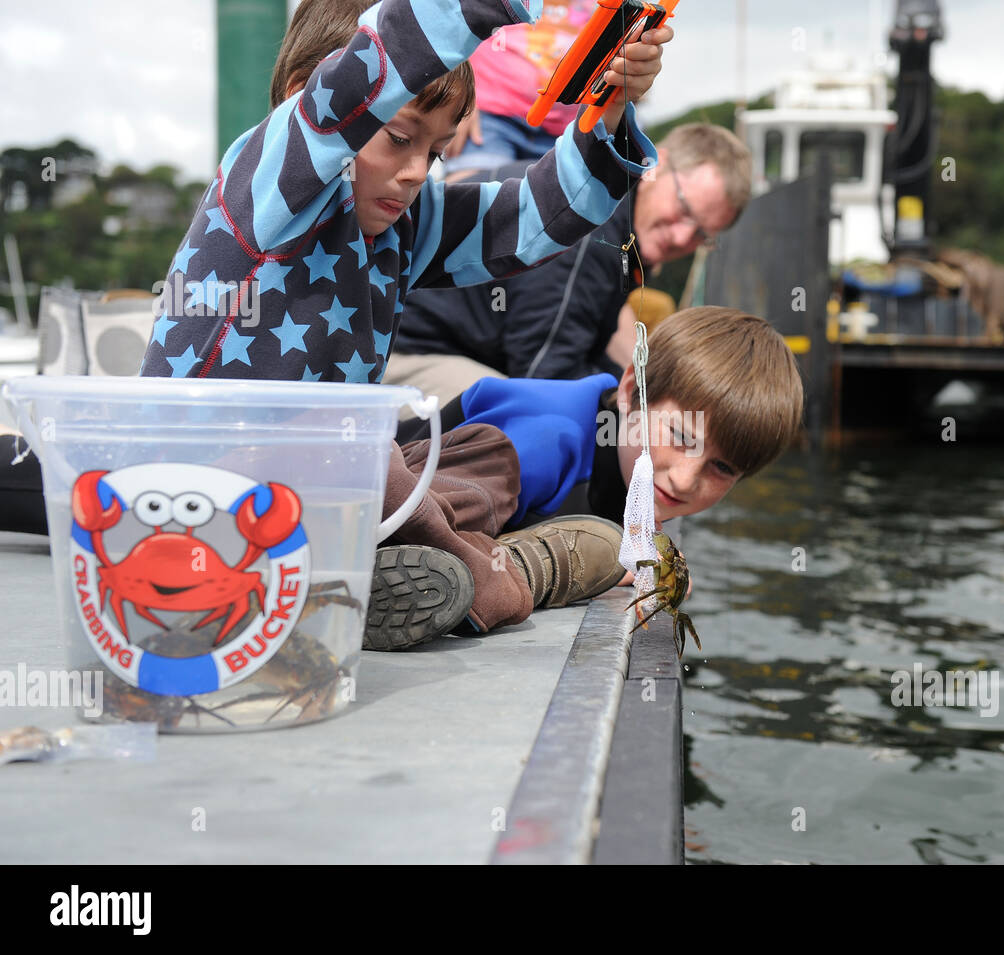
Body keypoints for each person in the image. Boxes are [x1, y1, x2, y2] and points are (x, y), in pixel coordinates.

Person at [136, 0, 674, 647]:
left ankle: (380, 565)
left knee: (481, 447)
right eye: (398, 136)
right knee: (368, 454)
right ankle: (494, 573)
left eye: (437, 148)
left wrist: (608, 106)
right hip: (194, 501)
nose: (417, 169)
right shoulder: (270, 177)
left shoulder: (403, 222)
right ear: (305, 100)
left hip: (326, 489)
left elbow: (535, 219)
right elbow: (366, 77)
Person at [383, 307, 804, 643]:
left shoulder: (636, 469)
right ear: (629, 392)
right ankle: (505, 573)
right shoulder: (546, 436)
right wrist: (597, 562)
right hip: (378, 492)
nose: (685, 480)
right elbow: (400, 511)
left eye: (723, 468)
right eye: (679, 435)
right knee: (491, 472)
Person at [384, 122, 753, 407]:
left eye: (701, 234)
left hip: (436, 344)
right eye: (684, 209)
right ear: (660, 163)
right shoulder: (589, 234)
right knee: (522, 419)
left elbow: (575, 352)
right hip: (392, 351)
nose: (680, 237)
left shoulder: (616, 222)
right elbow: (545, 377)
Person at [441, 0, 600, 180]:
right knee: (468, 192)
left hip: (568, 130)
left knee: (554, 202)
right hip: (490, 117)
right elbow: (453, 21)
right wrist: (459, 96)